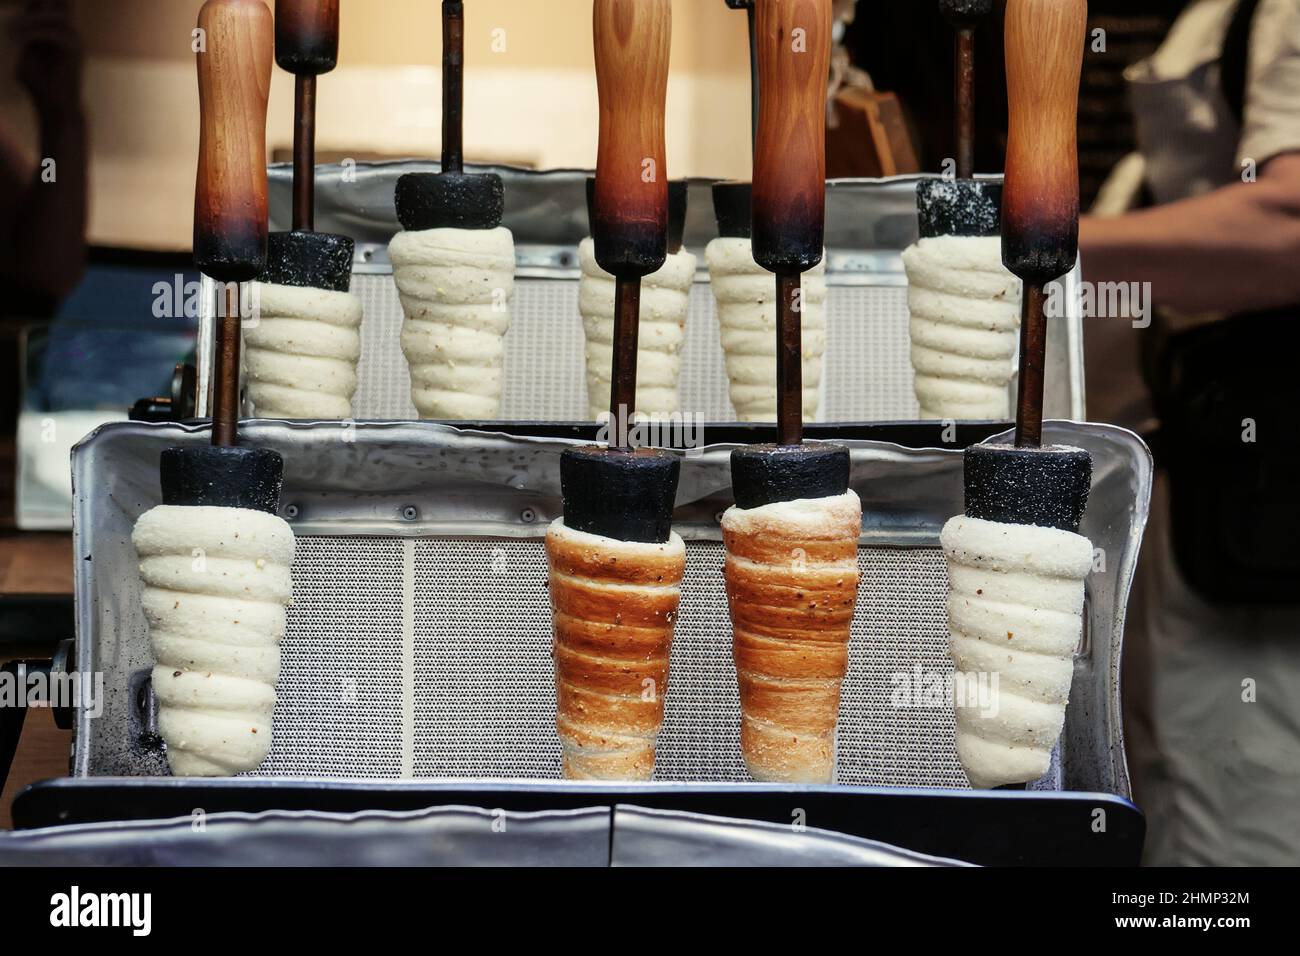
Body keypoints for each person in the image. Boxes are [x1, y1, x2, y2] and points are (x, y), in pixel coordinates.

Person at [1078, 0, 1300, 865]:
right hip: (1202, 467)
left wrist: (1033, 237)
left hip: (1265, 504)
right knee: (1184, 784)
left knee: (1244, 810)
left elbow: (1289, 227)